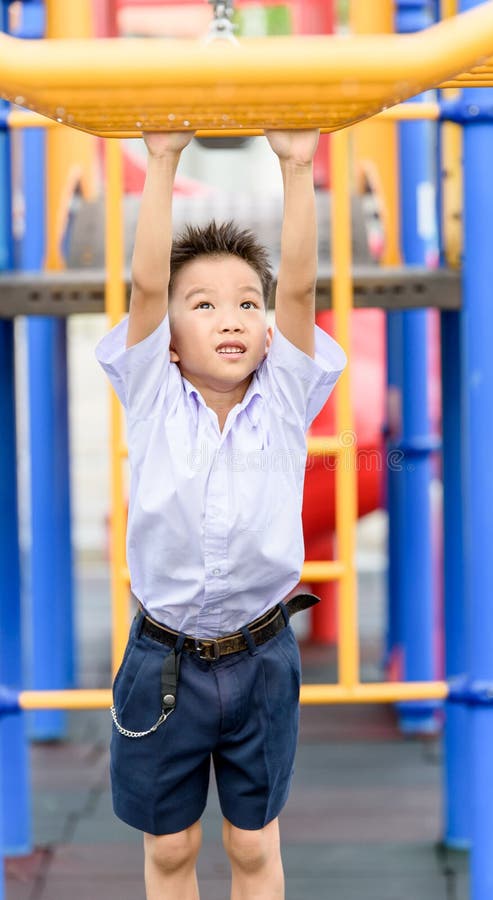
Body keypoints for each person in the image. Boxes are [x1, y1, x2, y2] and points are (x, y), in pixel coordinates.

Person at [95, 127, 346, 900]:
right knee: (170, 852)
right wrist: (164, 158)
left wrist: (296, 166)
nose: (230, 317)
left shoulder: (285, 401)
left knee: (252, 845)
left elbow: (299, 288)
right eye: (202, 306)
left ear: (267, 330)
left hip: (260, 658)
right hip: (163, 659)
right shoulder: (151, 396)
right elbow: (143, 289)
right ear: (168, 340)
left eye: (245, 303)